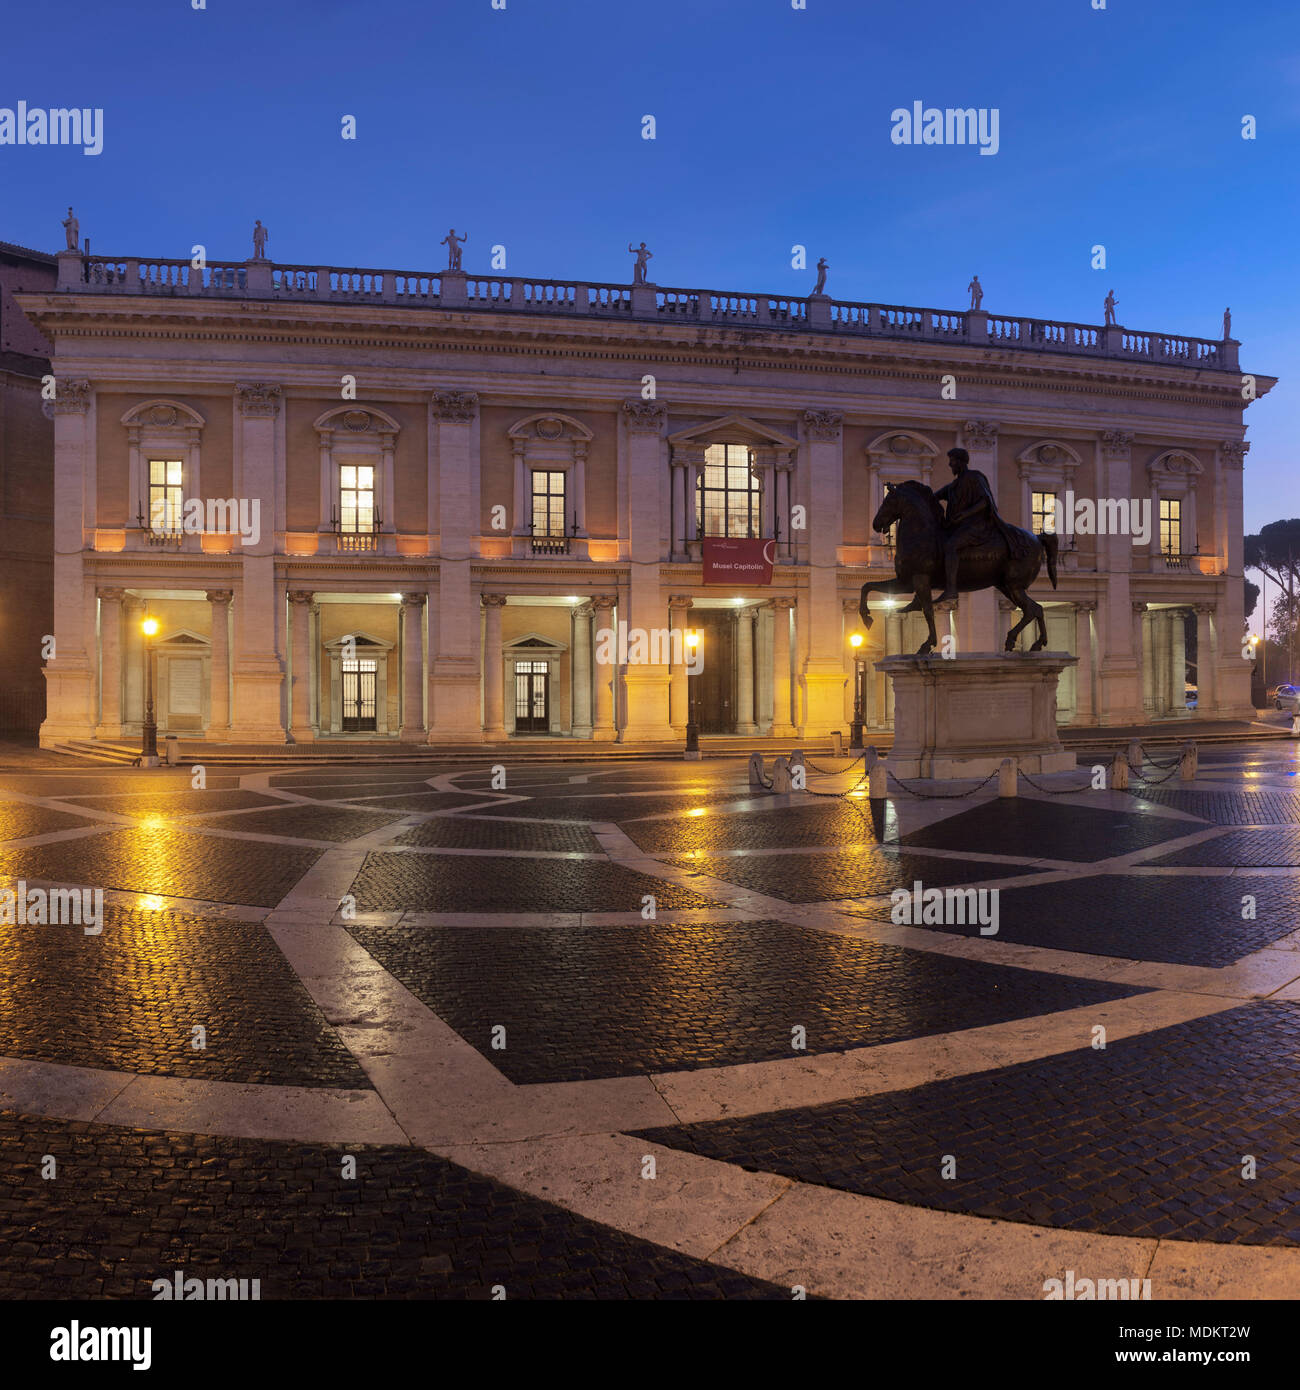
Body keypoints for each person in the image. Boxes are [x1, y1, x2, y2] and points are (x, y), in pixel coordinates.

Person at [934, 446, 1015, 602]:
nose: (950, 465)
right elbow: (933, 496)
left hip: (975, 526)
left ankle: (951, 588)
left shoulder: (975, 477)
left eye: (952, 461)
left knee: (951, 545)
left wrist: (965, 514)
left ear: (961, 462)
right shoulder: (953, 486)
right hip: (958, 527)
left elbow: (985, 501)